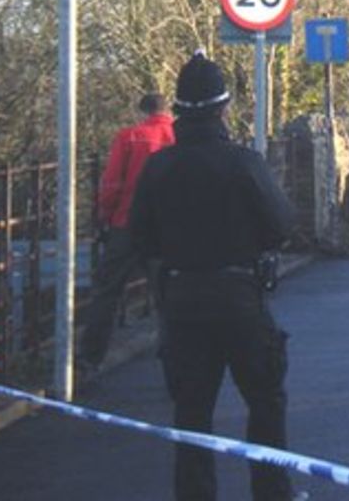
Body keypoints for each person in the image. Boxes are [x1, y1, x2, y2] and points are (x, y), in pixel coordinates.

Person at [130, 50, 302, 501]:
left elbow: (140, 239)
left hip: (182, 297)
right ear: (224, 108)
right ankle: (272, 494)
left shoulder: (158, 168)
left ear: (179, 111)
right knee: (265, 401)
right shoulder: (243, 163)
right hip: (239, 296)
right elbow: (283, 224)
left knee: (191, 413)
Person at [80, 93, 175, 371]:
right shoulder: (178, 137)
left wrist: (104, 216)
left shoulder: (130, 137)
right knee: (167, 292)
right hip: (165, 227)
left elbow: (112, 182)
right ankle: (172, 354)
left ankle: (90, 356)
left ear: (142, 111)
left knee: (107, 289)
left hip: (127, 222)